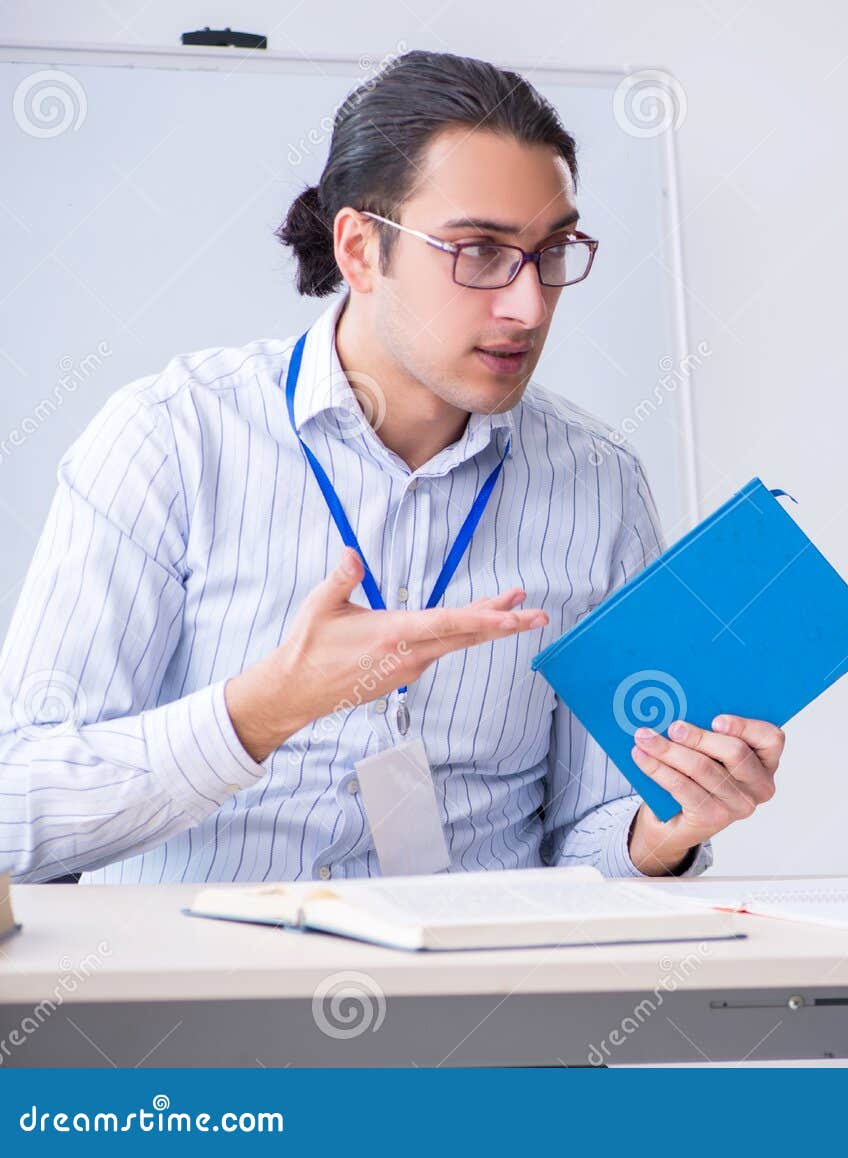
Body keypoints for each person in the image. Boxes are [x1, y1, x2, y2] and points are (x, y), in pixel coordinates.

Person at [0, 51, 783, 886]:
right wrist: (262, 710)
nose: (529, 306)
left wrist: (664, 831)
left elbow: (591, 839)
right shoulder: (171, 439)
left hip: (484, 966)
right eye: (479, 251)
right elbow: (19, 814)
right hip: (197, 959)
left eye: (552, 250)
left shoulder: (600, 482)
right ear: (361, 249)